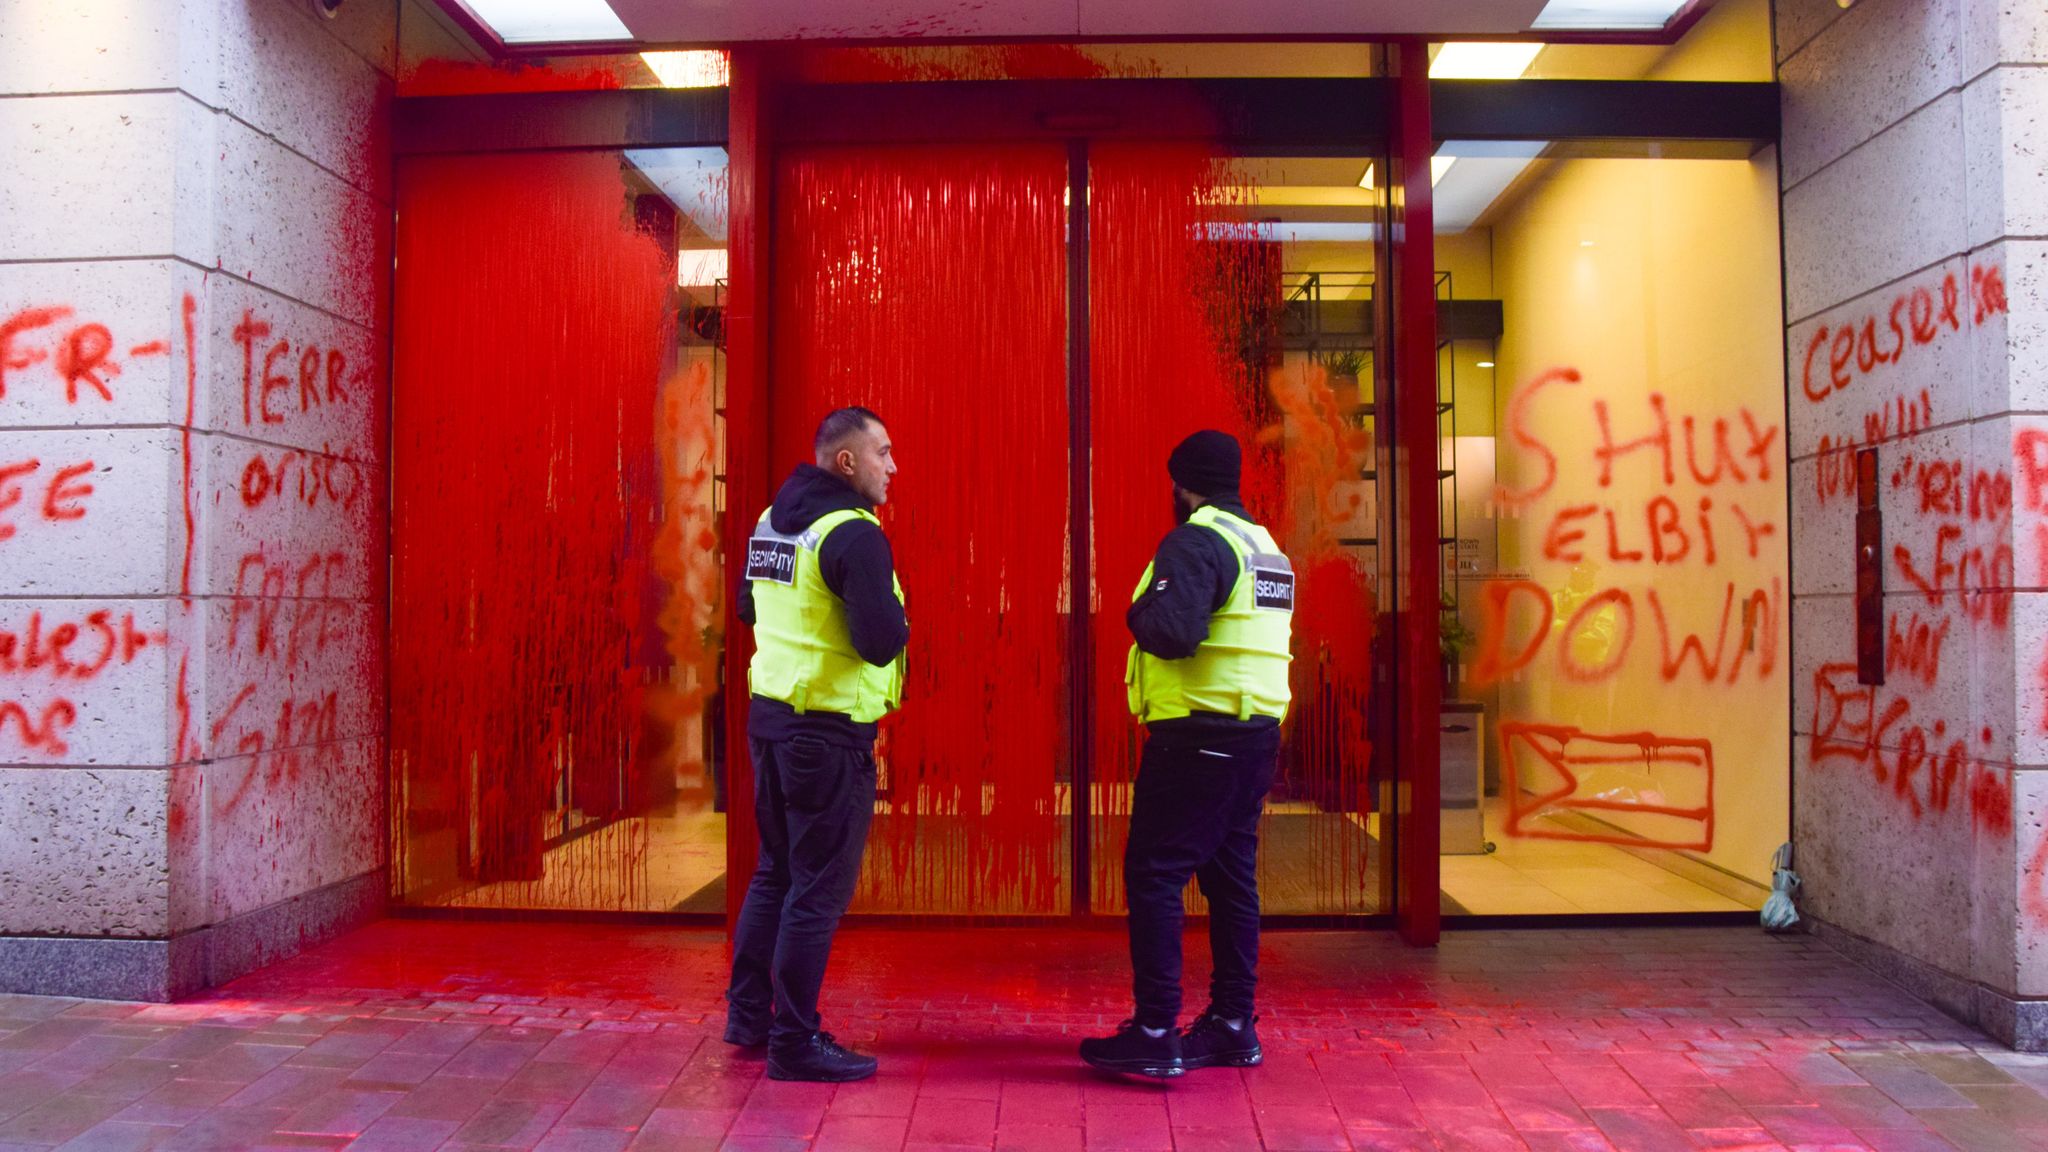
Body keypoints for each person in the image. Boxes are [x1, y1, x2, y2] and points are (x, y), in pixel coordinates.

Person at [1080, 429, 1294, 1080]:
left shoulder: (1197, 540)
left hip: (1197, 739)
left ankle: (1153, 1033)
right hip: (1253, 737)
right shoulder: (1267, 550)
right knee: (1232, 883)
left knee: (1155, 875)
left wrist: (1140, 606)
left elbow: (1170, 632)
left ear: (1181, 484)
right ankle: (1233, 1025)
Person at [723, 406, 907, 1083]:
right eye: (883, 452)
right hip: (827, 736)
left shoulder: (773, 521)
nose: (893, 467)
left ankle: (748, 1016)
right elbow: (880, 640)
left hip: (771, 724)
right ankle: (795, 1040)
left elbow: (749, 608)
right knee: (818, 891)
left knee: (776, 872)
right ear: (847, 461)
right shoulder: (855, 536)